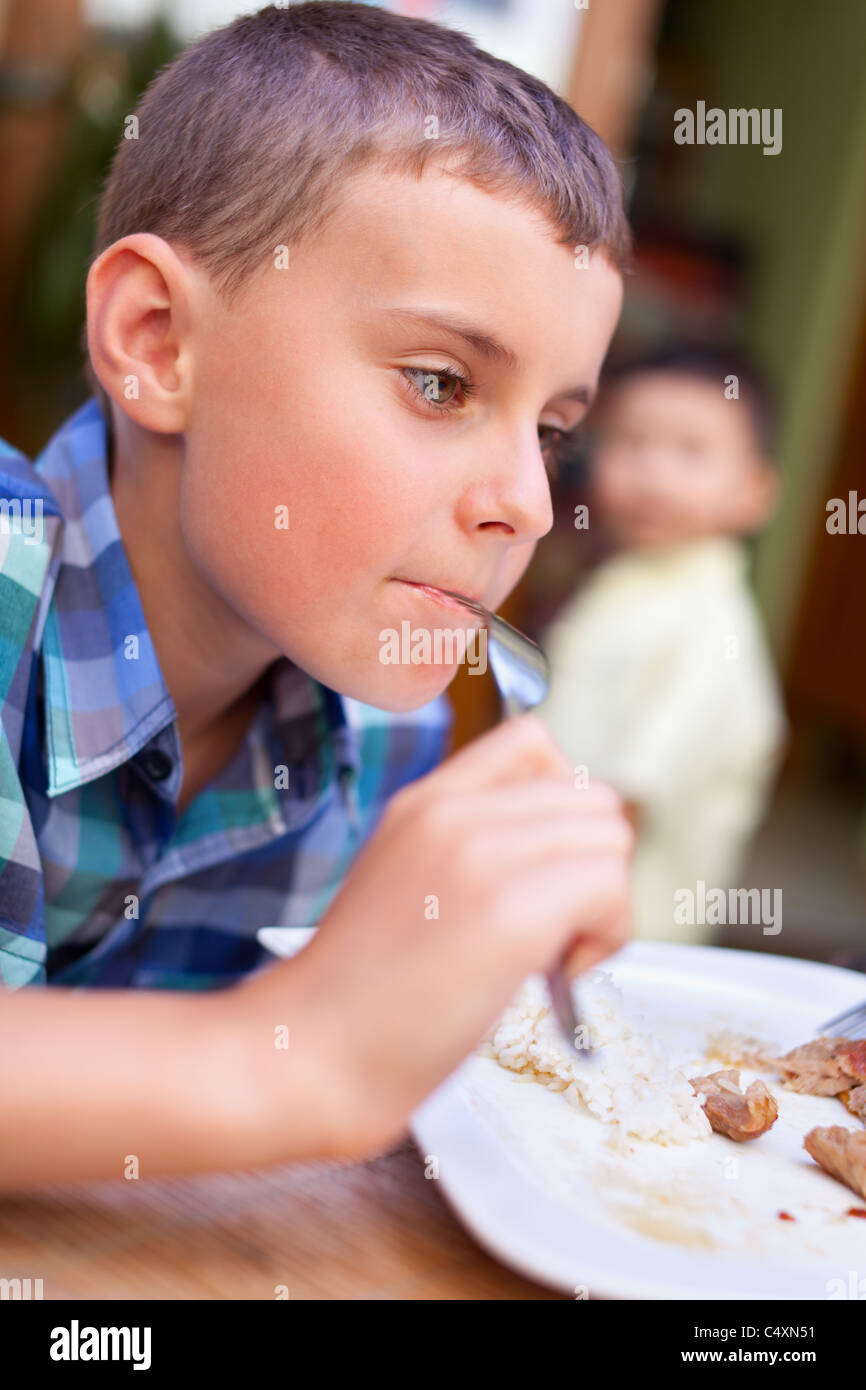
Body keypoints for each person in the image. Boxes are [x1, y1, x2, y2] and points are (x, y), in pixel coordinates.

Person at [0, 2, 634, 1189]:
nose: (529, 506)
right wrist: (308, 1051)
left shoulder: (388, 737)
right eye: (441, 383)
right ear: (156, 341)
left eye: (550, 430)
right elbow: (306, 1070)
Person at [538, 342, 787, 944]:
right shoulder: (629, 583)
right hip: (551, 892)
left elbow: (630, 799)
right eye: (631, 442)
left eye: (690, 451)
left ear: (753, 492)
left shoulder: (710, 630)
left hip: (620, 935)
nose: (653, 471)